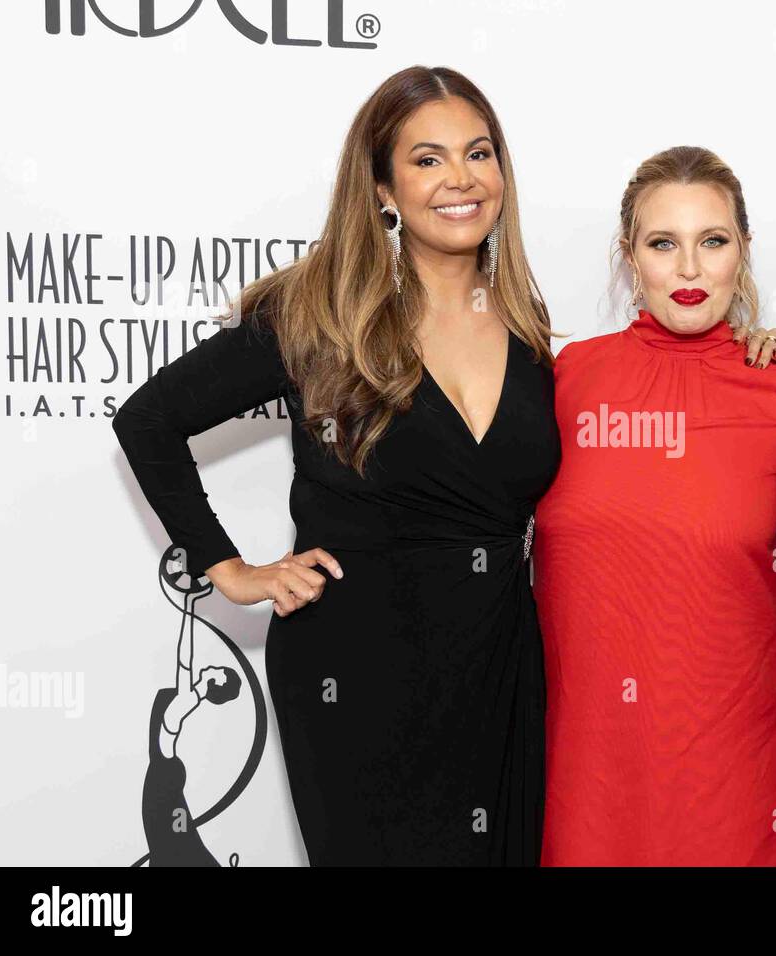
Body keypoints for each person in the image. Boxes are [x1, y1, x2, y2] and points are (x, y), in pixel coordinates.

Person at [113, 66, 560, 865]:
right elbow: (148, 419)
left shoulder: (528, 330)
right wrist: (228, 568)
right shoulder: (319, 316)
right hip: (355, 673)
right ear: (382, 188)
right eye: (427, 159)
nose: (461, 179)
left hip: (499, 665)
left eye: (479, 153)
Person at [532, 146, 776, 865]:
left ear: (743, 252)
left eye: (713, 241)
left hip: (738, 768)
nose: (690, 270)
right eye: (663, 243)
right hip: (591, 769)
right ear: (629, 257)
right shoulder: (564, 381)